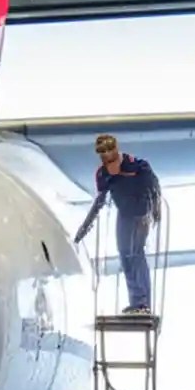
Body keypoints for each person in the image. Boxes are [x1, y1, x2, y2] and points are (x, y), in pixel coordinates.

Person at [72, 133, 163, 314]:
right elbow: (100, 201)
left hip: (141, 213)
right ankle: (136, 301)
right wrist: (84, 229)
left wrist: (155, 212)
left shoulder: (137, 166)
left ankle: (143, 303)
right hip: (124, 214)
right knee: (124, 255)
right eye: (106, 161)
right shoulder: (103, 174)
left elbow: (154, 187)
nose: (110, 167)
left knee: (136, 253)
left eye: (112, 161)